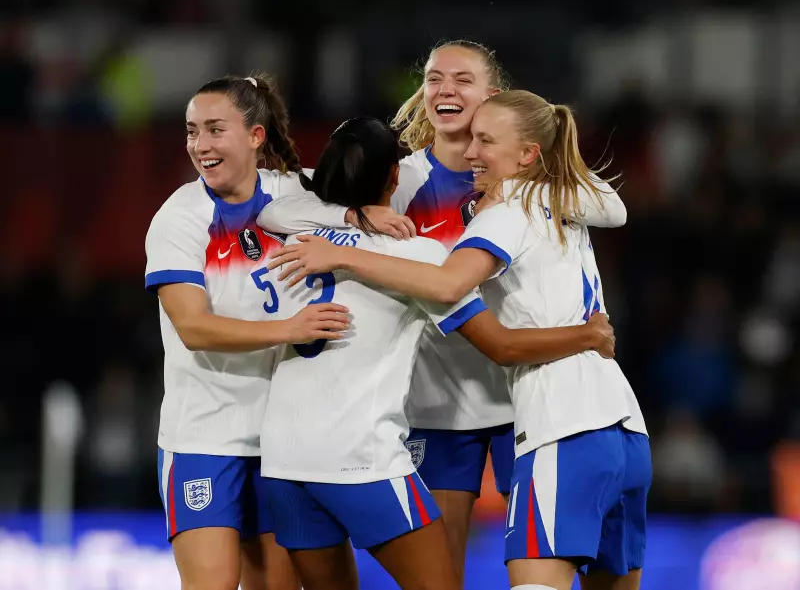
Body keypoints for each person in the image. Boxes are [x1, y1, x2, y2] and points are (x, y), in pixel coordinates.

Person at [258, 41, 628, 586]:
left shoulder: (532, 186)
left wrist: (525, 188)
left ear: (492, 96)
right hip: (436, 404)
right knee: (442, 571)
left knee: (540, 566)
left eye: (462, 80)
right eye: (434, 79)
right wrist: (355, 212)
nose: (445, 90)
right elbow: (287, 202)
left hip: (519, 396)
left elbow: (612, 208)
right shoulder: (400, 178)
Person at [144, 73, 414, 590]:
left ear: (255, 136)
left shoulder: (293, 192)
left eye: (215, 129)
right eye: (191, 131)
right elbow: (195, 328)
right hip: (205, 436)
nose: (201, 145)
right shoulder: (180, 219)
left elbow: (349, 190)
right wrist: (288, 328)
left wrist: (365, 212)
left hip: (279, 441)